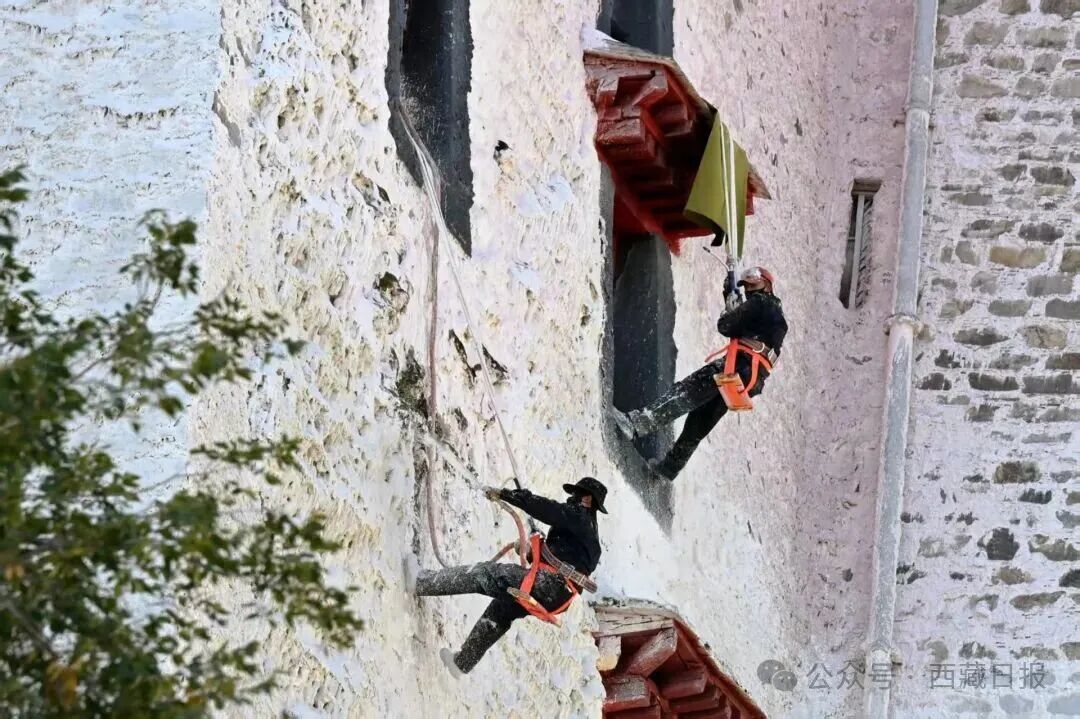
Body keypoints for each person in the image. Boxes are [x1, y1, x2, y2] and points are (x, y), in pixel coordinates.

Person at [407, 477, 607, 676]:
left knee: (486, 574)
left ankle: (421, 583)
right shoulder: (586, 532)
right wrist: (531, 552)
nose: (571, 499)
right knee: (502, 610)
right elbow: (563, 561)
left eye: (575, 495)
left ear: (587, 499)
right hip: (555, 594)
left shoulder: (581, 517)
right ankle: (462, 663)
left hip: (549, 585)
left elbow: (547, 509)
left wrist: (507, 495)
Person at [612, 266, 787, 480]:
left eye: (753, 285)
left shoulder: (760, 302)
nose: (749, 290)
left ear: (767, 285)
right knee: (702, 418)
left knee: (686, 392)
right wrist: (732, 301)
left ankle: (635, 424)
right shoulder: (774, 314)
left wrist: (730, 304)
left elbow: (726, 326)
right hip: (751, 379)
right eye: (747, 286)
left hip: (739, 365)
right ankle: (669, 469)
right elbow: (744, 327)